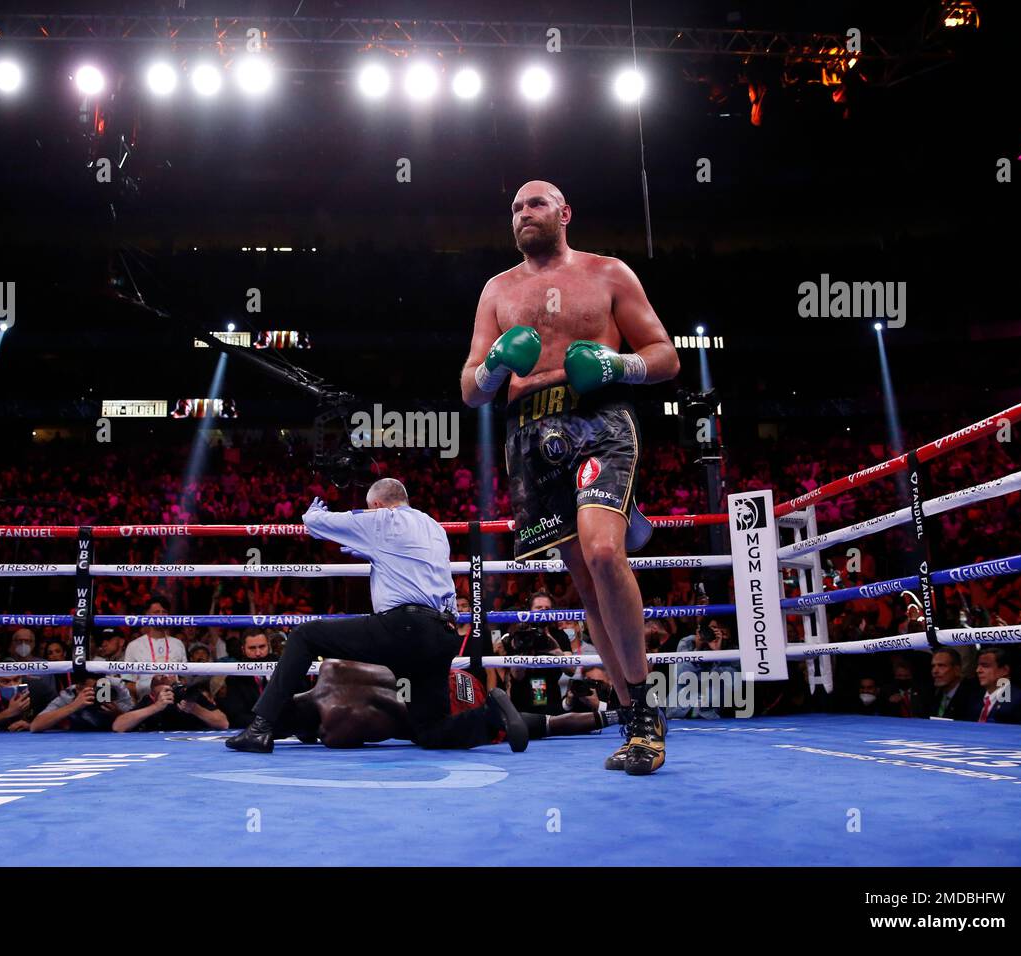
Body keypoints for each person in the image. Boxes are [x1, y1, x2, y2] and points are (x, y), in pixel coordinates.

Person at [460, 180, 680, 774]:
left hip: (599, 418)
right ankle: (637, 715)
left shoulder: (608, 273)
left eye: (534, 204)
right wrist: (497, 366)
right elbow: (470, 388)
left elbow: (665, 355)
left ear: (564, 213)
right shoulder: (497, 290)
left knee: (604, 553)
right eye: (514, 209)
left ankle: (643, 709)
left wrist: (614, 362)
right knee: (585, 580)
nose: (522, 215)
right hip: (530, 435)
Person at [226, 477, 527, 753]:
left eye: (371, 510)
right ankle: (491, 716)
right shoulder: (432, 525)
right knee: (432, 732)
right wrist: (373, 552)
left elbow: (317, 525)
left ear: (378, 505)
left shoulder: (382, 518)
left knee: (305, 636)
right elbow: (409, 561)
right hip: (442, 633)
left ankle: (260, 727)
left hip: (404, 629)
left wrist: (311, 513)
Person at [272, 659, 619, 748]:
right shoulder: (332, 666)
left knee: (425, 736)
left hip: (458, 712)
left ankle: (494, 713)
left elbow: (390, 728)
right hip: (453, 679)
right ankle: (621, 714)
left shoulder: (333, 728)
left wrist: (311, 733)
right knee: (544, 723)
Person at [928, 647, 980, 720]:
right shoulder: (931, 695)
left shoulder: (972, 697)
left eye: (941, 666)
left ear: (957, 669)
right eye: (933, 666)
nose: (935, 671)